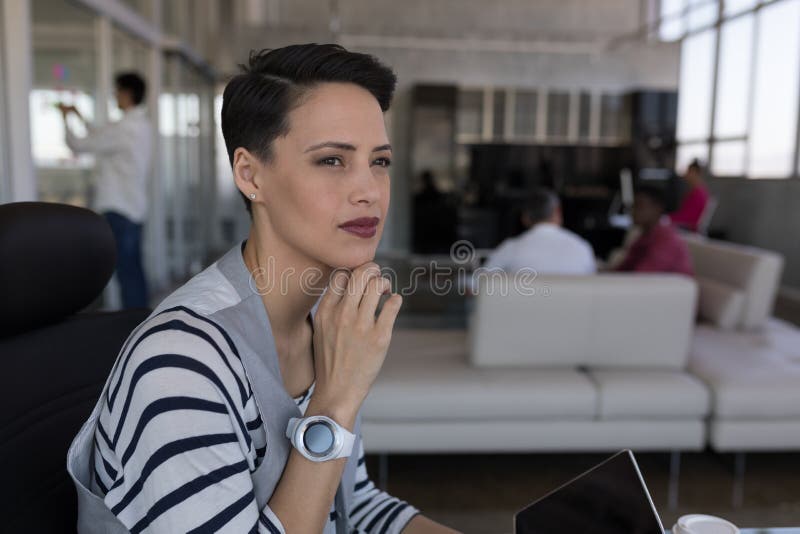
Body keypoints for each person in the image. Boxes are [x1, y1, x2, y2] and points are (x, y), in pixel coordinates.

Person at [67, 44, 458, 534]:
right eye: (333, 160)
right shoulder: (180, 363)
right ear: (251, 175)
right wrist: (335, 402)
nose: (369, 191)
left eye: (379, 161)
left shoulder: (324, 321)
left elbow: (353, 508)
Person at [59, 72, 153, 309]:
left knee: (126, 274)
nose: (114, 96)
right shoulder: (140, 125)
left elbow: (80, 145)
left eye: (117, 91)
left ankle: (131, 330)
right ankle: (141, 324)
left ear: (127, 94)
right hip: (133, 207)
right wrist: (80, 117)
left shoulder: (125, 129)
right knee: (134, 272)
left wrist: (65, 119)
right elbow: (102, 135)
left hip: (119, 209)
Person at [483, 188, 596, 275]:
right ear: (558, 211)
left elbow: (476, 285)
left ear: (524, 217)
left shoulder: (510, 249)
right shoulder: (582, 248)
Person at [615, 185, 694, 276]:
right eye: (633, 206)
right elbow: (624, 268)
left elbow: (643, 276)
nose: (633, 211)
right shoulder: (645, 235)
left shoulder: (666, 239)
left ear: (657, 208)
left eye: (639, 206)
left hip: (670, 288)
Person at [669, 159, 710, 232]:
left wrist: (667, 219)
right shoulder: (696, 191)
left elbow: (689, 218)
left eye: (689, 172)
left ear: (696, 173)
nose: (686, 174)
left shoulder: (699, 193)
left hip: (687, 228)